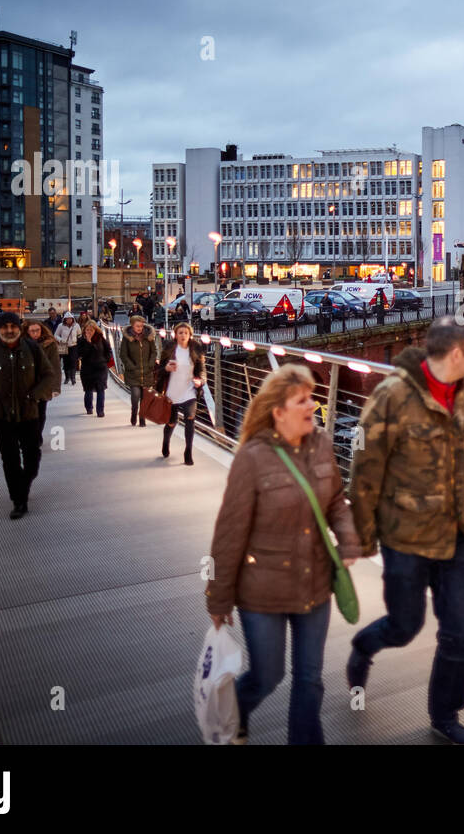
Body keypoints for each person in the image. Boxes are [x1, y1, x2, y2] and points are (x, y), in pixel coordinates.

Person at [346, 315, 464, 744]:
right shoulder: (392, 396)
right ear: (455, 353)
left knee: (457, 631)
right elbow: (365, 468)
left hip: (455, 535)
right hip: (405, 536)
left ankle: (444, 715)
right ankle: (363, 648)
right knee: (404, 626)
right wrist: (364, 533)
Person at [206, 364, 362, 745]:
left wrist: (348, 538)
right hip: (263, 590)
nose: (313, 406)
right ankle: (234, 711)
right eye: (302, 400)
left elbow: (337, 503)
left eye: (312, 397)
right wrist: (218, 597)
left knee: (310, 679)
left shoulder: (322, 443)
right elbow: (229, 532)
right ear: (278, 411)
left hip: (315, 582)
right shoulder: (253, 458)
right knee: (267, 674)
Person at [0, 311, 59, 519]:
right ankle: (19, 500)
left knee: (32, 456)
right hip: (1, 415)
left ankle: (25, 482)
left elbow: (48, 374)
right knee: (9, 459)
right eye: (4, 327)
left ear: (19, 329)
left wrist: (35, 396)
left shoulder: (33, 349)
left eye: (13, 327)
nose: (9, 331)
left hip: (29, 412)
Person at [156, 321, 206, 465]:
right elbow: (159, 371)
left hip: (189, 391)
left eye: (186, 333)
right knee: (172, 422)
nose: (183, 335)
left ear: (190, 335)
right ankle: (166, 442)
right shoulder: (169, 350)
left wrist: (200, 381)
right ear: (175, 335)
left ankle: (188, 452)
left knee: (190, 419)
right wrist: (166, 369)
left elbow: (202, 371)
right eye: (180, 333)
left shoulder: (195, 350)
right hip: (171, 392)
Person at [118, 314, 159, 427]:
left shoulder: (148, 337)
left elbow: (154, 352)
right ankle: (134, 412)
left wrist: (151, 363)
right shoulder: (127, 339)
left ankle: (142, 418)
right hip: (133, 372)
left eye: (141, 326)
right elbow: (123, 354)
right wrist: (130, 365)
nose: (140, 328)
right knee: (136, 395)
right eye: (137, 326)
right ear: (132, 326)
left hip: (146, 371)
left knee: (145, 398)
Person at [24, 319, 61, 429]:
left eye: (37, 330)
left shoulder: (49, 344)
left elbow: (55, 365)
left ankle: (37, 437)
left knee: (40, 410)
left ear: (42, 330)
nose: (35, 333)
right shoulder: (21, 344)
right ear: (27, 331)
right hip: (25, 383)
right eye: (32, 331)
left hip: (43, 382)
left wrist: (56, 387)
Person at [77, 321, 112, 417]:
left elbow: (108, 350)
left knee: (101, 389)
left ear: (95, 330)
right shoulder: (81, 340)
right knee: (88, 389)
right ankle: (89, 408)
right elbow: (80, 354)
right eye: (87, 330)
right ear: (84, 331)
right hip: (87, 369)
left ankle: (100, 410)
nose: (89, 332)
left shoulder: (100, 338)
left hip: (100, 367)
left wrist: (106, 359)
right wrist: (88, 343)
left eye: (91, 330)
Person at [54, 312, 80, 385]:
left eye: (70, 319)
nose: (69, 320)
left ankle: (73, 377)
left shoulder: (76, 326)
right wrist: (61, 340)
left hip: (73, 346)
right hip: (64, 346)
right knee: (66, 362)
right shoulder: (60, 326)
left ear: (72, 319)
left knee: (73, 361)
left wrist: (77, 342)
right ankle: (67, 377)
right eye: (67, 319)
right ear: (65, 319)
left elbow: (79, 335)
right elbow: (55, 335)